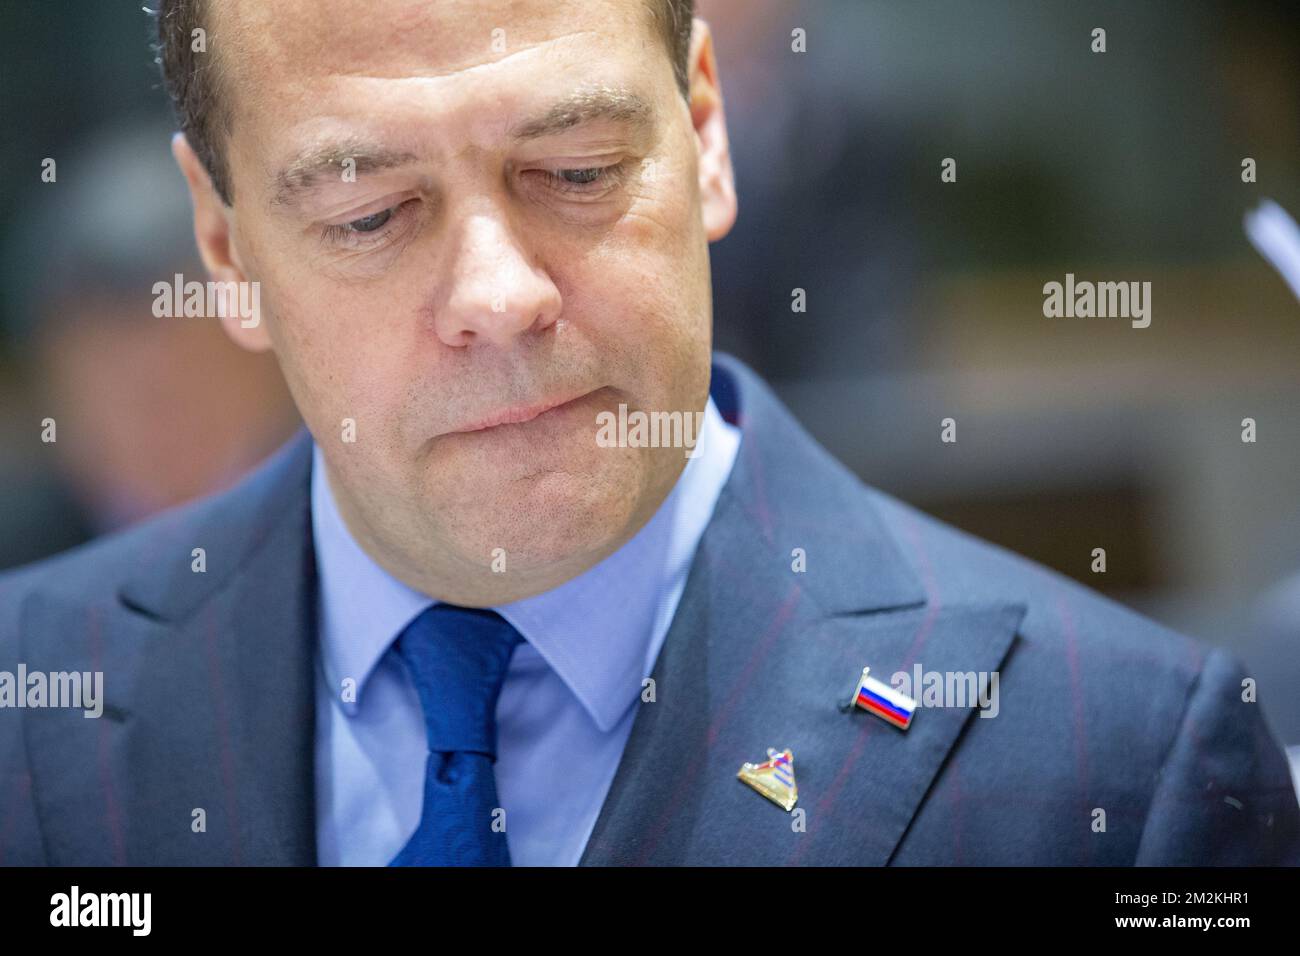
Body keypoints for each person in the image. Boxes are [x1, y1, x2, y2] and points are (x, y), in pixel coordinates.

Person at [0, 0, 1296, 866]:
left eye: (576, 171)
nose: (500, 296)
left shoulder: (1115, 765)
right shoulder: (28, 714)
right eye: (369, 216)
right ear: (224, 246)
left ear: (708, 132)